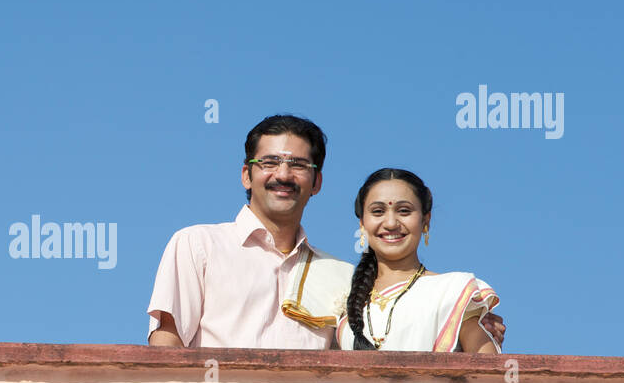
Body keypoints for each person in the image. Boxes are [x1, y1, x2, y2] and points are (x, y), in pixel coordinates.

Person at [147, 115, 506, 348]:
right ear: (246, 174)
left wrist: (466, 320)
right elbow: (167, 344)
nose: (283, 175)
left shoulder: (340, 275)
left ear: (317, 182)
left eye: (298, 165)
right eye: (269, 162)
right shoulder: (198, 245)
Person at [336, 168, 500, 353]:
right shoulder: (343, 302)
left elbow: (487, 368)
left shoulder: (453, 292)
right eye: (378, 211)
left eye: (404, 211)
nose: (391, 223)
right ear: (362, 223)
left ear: (426, 220)